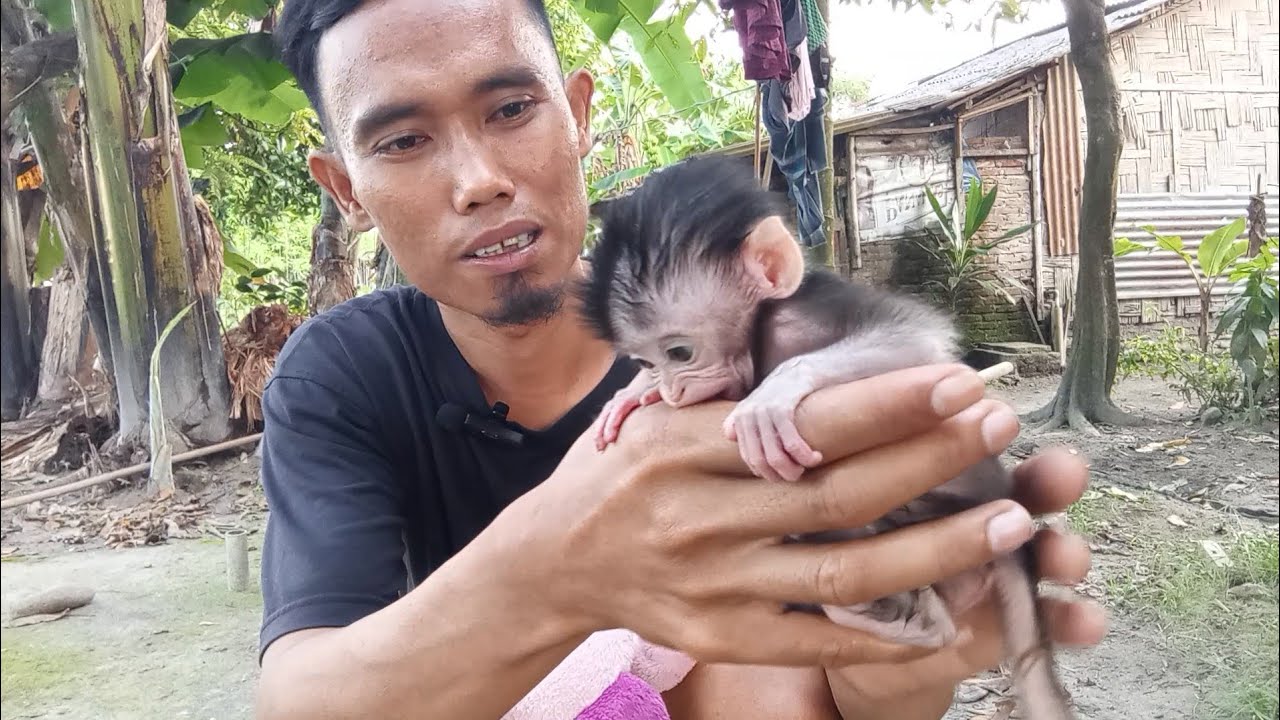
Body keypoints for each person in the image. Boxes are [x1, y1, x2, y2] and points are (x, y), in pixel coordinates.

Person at [254, 0, 1106, 717]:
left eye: (511, 110)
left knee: (740, 649)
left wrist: (891, 677)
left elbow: (848, 674)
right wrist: (558, 574)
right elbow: (305, 697)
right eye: (402, 141)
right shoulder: (339, 373)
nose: (478, 180)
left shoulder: (739, 319)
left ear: (579, 114)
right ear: (344, 189)